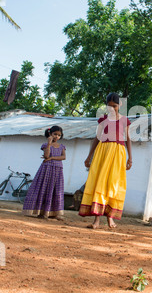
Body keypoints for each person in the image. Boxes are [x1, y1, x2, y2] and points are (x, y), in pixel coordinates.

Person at [79, 92, 132, 229]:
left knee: (113, 184)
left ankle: (110, 219)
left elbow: (128, 139)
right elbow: (97, 138)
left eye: (114, 106)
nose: (112, 109)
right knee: (100, 183)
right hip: (102, 152)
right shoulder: (103, 119)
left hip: (117, 153)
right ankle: (96, 221)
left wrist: (130, 158)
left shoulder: (124, 120)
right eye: (109, 106)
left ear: (120, 105)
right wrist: (89, 155)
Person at [22, 125, 66, 219]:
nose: (57, 137)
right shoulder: (45, 145)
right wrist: (49, 143)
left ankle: (54, 213)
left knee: (55, 190)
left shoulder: (62, 146)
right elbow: (46, 156)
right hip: (46, 169)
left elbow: (63, 157)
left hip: (58, 170)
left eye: (59, 135)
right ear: (50, 134)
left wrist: (52, 157)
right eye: (55, 134)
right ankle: (41, 212)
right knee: (44, 189)